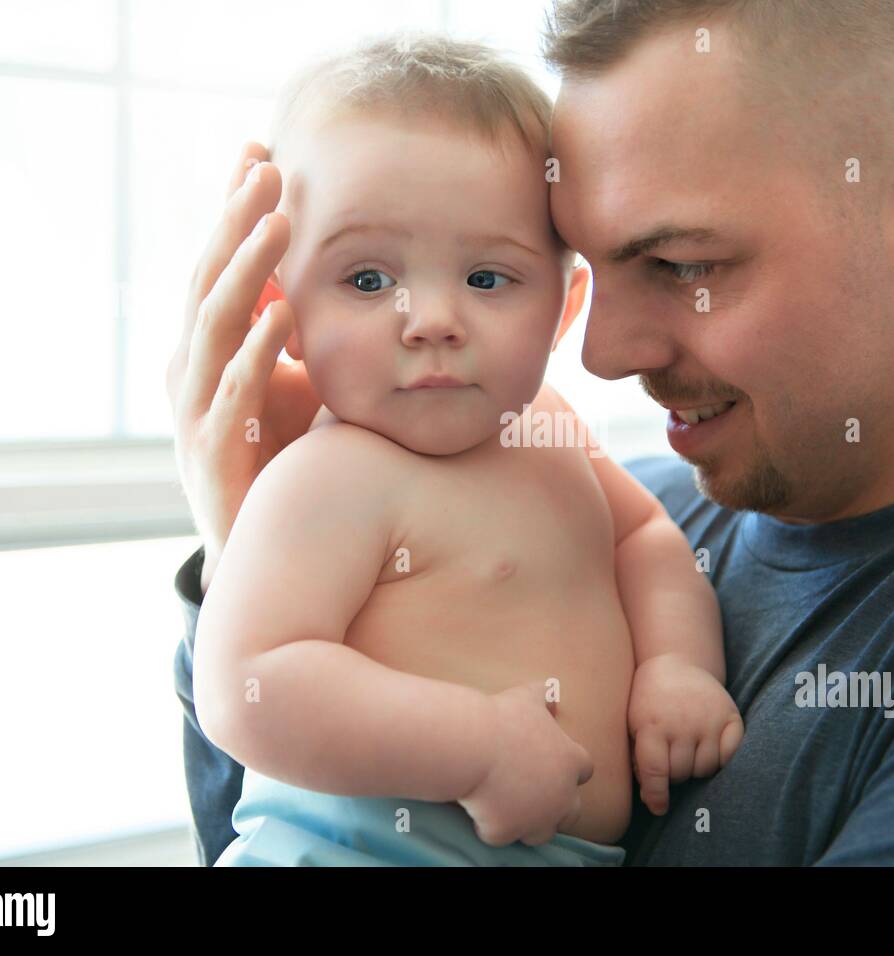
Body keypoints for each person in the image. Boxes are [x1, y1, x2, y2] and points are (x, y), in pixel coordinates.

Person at [168, 0, 894, 865]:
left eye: (681, 265)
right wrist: (238, 535)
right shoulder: (625, 500)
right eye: (596, 266)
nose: (601, 353)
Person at [192, 34, 740, 867]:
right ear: (285, 306)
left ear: (563, 308)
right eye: (368, 280)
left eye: (488, 278)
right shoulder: (327, 475)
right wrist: (473, 746)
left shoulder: (550, 430)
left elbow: (646, 541)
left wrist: (677, 667)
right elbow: (246, 683)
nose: (432, 318)